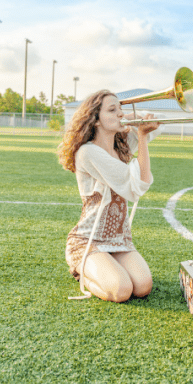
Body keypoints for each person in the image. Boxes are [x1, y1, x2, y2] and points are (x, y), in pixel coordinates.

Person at [57, 91, 160, 303]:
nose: (120, 114)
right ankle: (82, 269)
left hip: (119, 240)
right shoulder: (88, 152)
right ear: (95, 120)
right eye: (112, 110)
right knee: (122, 291)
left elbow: (159, 124)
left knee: (142, 287)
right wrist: (141, 137)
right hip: (88, 241)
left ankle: (108, 266)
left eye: (120, 109)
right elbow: (136, 188)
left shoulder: (120, 146)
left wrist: (132, 117)